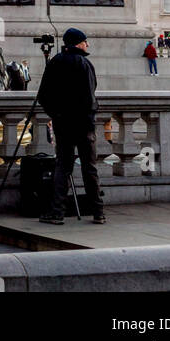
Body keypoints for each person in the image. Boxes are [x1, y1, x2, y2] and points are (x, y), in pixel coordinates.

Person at [37, 27, 105, 226]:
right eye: (85, 41)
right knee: (90, 168)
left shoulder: (55, 62)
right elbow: (91, 95)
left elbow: (43, 96)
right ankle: (98, 211)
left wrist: (56, 114)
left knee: (63, 167)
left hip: (63, 123)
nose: (88, 44)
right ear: (77, 43)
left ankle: (57, 212)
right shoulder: (86, 64)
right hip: (85, 124)